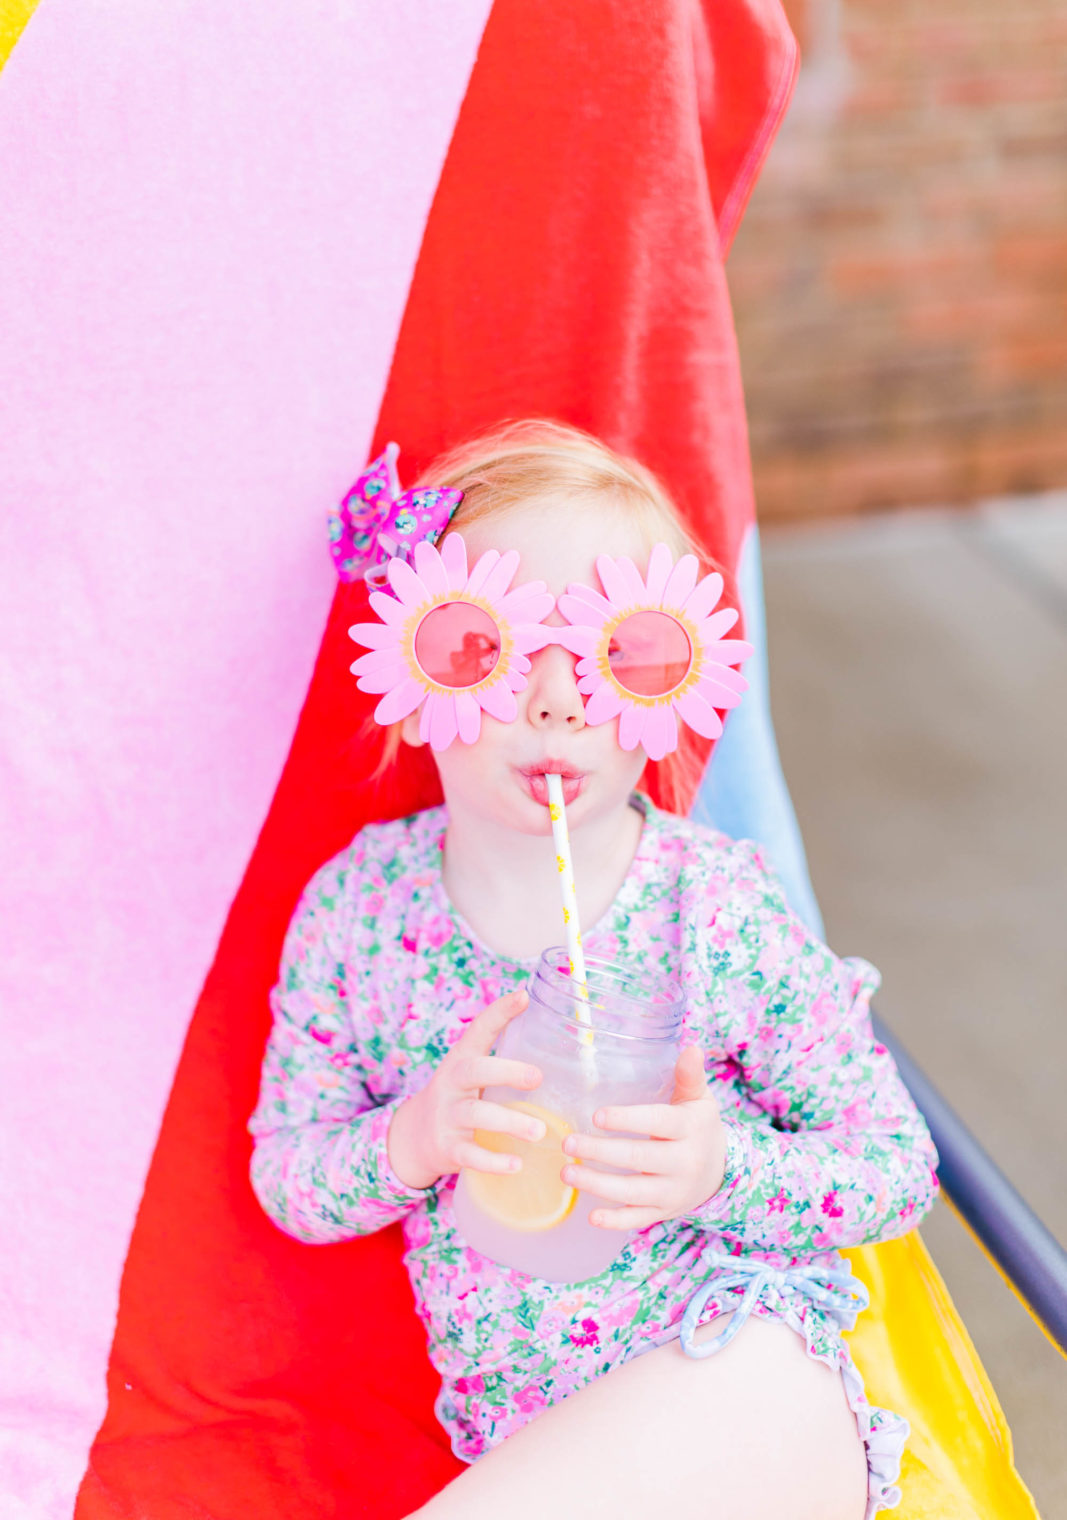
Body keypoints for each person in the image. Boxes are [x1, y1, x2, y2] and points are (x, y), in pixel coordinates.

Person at [249, 421, 938, 1520]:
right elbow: (289, 1177)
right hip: (539, 1449)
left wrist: (722, 1169)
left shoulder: (709, 907)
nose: (558, 698)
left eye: (623, 653)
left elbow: (895, 1164)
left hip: (750, 1377)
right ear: (413, 663)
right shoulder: (360, 912)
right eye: (489, 645)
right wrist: (415, 1136)